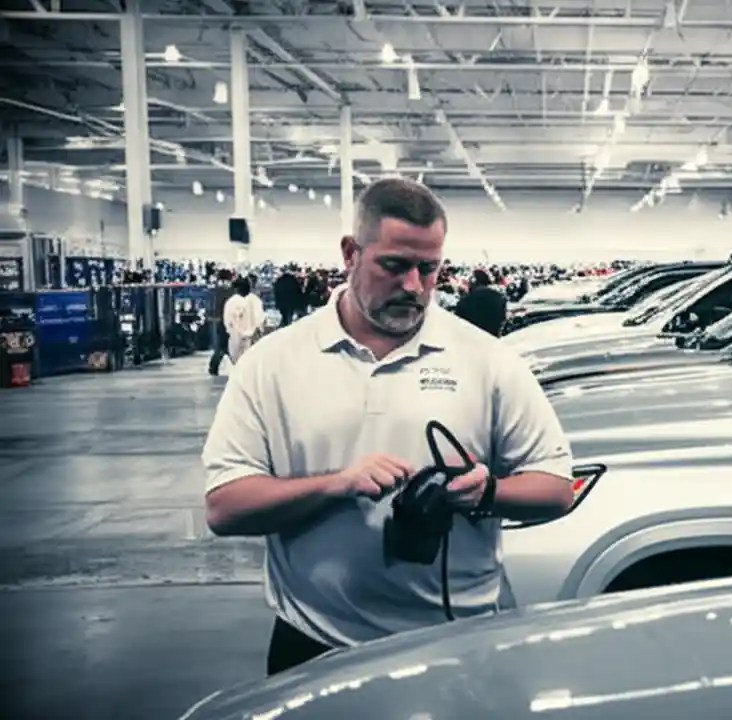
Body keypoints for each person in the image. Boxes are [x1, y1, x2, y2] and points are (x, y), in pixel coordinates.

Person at [201, 177, 575, 676]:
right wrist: (338, 484)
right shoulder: (273, 363)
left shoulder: (488, 360)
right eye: (394, 266)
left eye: (430, 268)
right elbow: (225, 507)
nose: (414, 286)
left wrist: (487, 493)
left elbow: (555, 488)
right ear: (351, 254)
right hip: (317, 644)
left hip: (459, 643)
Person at [453, 267, 508, 337]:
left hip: (472, 339)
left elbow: (459, 322)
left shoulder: (467, 299)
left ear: (474, 281)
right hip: (492, 338)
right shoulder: (498, 296)